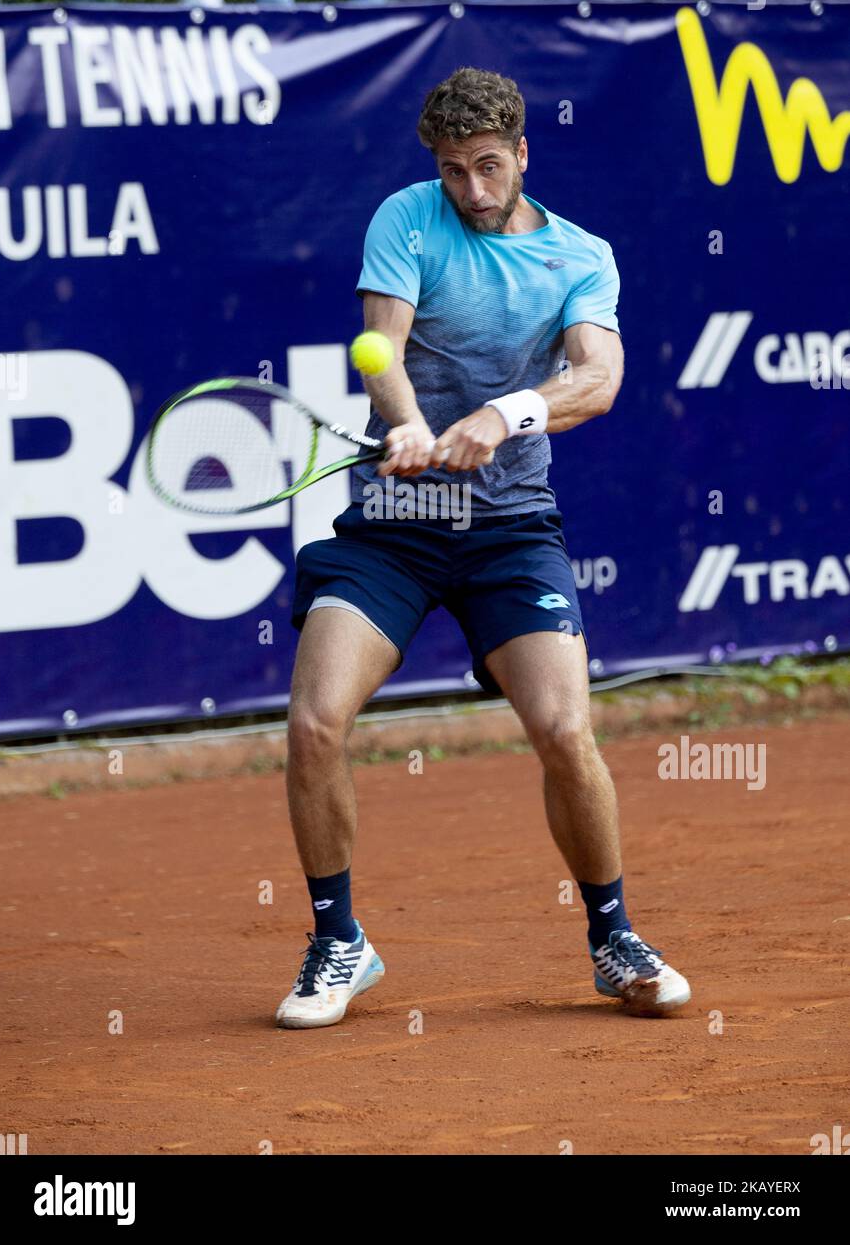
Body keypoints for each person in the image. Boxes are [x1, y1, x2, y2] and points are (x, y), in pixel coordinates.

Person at [275, 67, 692, 1029]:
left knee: (563, 731)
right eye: (454, 170)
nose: (470, 189)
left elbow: (599, 378)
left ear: (523, 156)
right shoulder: (407, 218)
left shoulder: (580, 256)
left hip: (511, 530)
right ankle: (339, 941)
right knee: (313, 721)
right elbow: (384, 348)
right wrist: (414, 425)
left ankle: (612, 935)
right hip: (394, 527)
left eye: (488, 167)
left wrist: (503, 415)